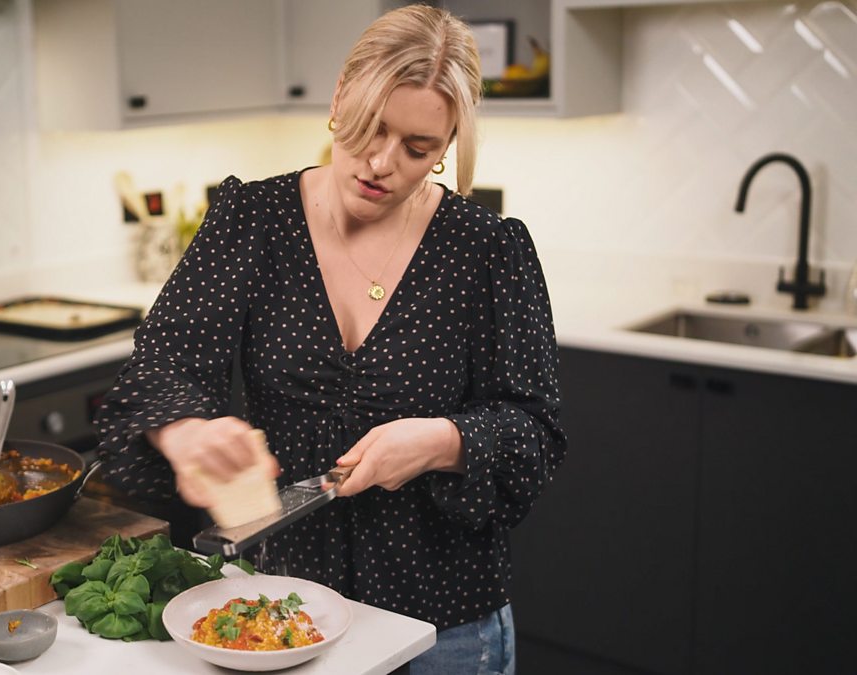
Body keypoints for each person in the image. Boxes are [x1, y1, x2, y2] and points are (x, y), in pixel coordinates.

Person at [94, 5, 566, 673]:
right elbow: (159, 368)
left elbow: (536, 434)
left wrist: (440, 441)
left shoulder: (487, 250)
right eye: (370, 127)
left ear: (450, 140)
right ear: (341, 92)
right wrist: (184, 431)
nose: (381, 163)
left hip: (446, 627)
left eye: (418, 148)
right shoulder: (252, 220)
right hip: (285, 617)